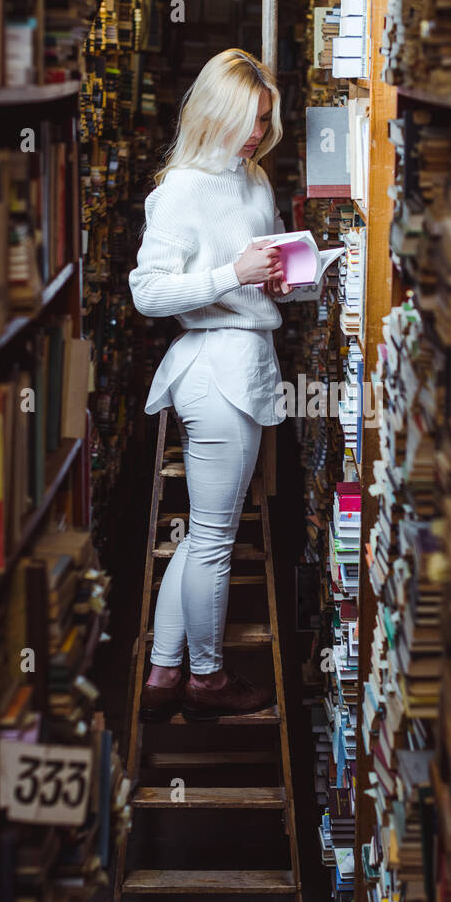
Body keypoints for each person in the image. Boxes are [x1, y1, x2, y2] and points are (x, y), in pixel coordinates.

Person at [128, 48, 291, 720]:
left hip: (248, 355)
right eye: (246, 119)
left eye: (263, 119)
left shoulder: (254, 181)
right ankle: (208, 679)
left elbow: (268, 267)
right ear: (212, 114)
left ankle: (166, 672)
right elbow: (148, 292)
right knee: (218, 537)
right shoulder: (180, 189)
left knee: (201, 535)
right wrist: (232, 275)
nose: (255, 132)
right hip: (213, 369)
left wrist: (286, 276)